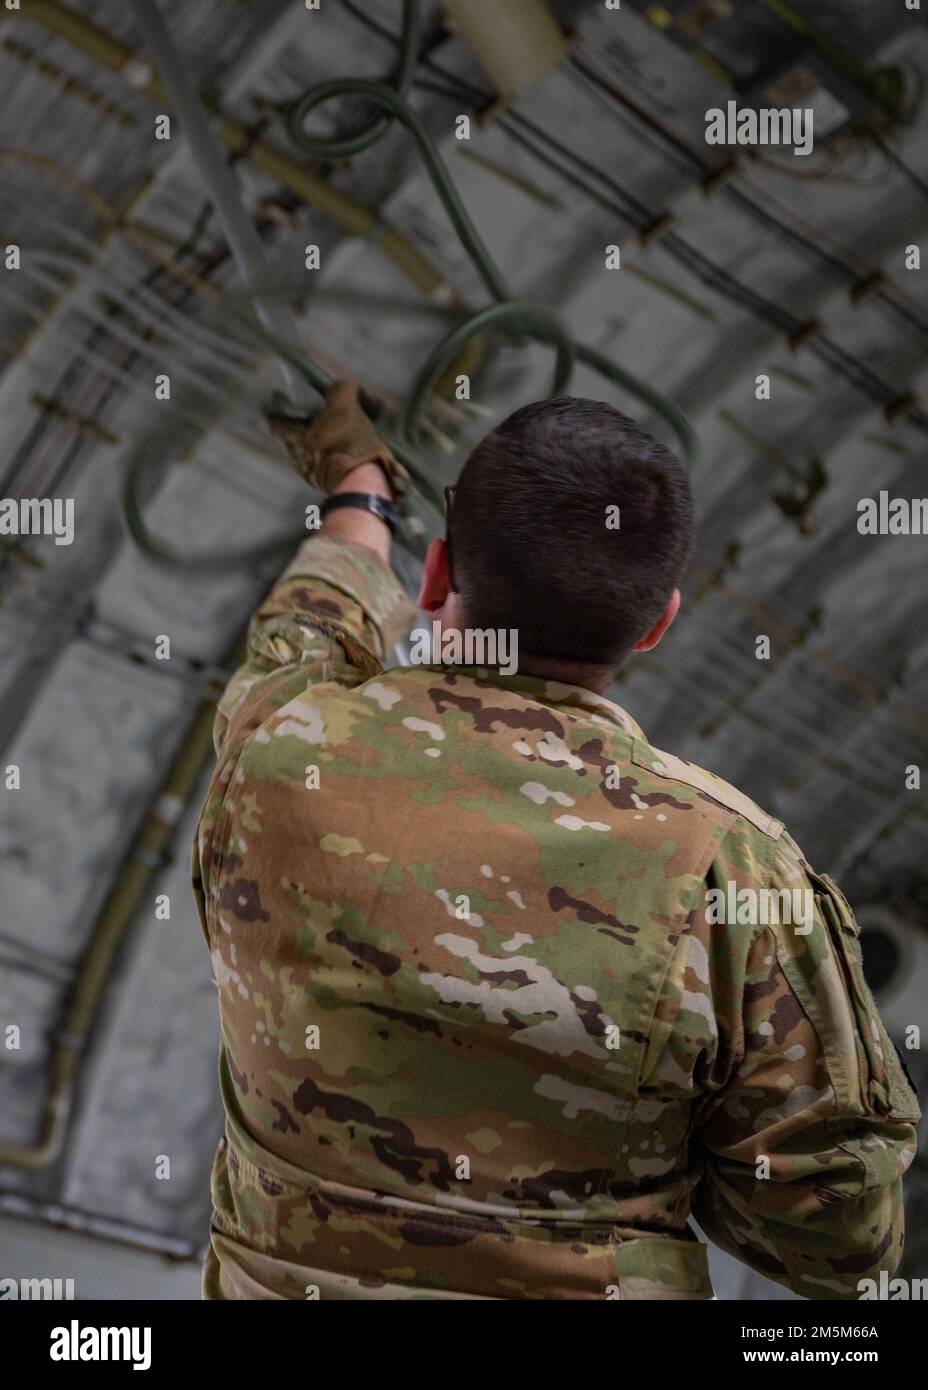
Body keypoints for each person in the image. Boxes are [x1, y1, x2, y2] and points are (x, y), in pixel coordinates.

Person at [193, 383, 919, 1300]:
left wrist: (359, 492)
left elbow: (309, 625)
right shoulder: (728, 866)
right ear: (658, 623)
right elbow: (843, 1242)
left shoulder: (279, 746)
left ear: (434, 575)